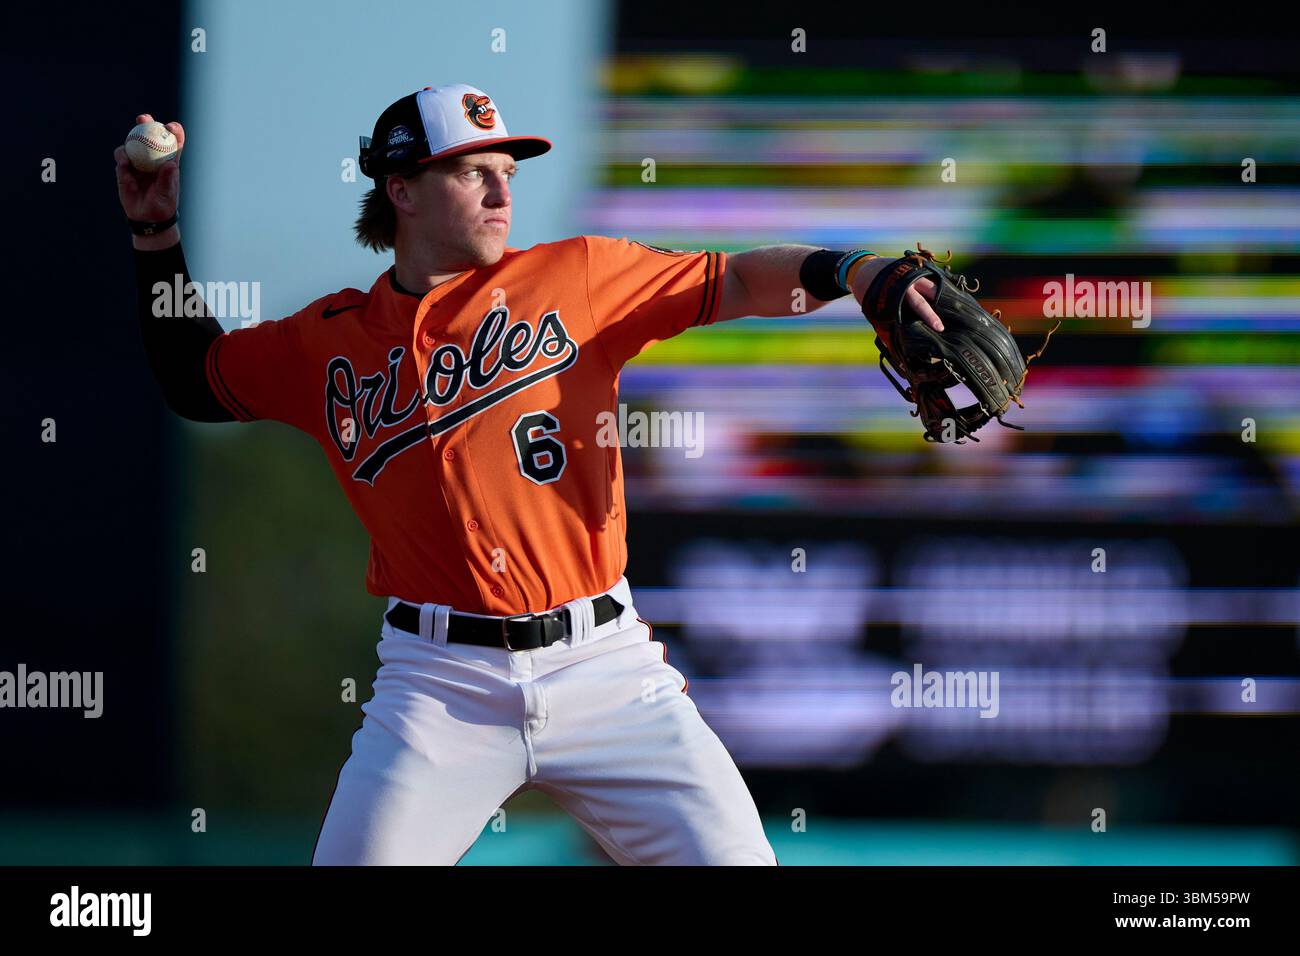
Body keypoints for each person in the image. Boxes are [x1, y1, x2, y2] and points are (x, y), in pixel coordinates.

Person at [117, 83, 943, 866]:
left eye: (507, 172)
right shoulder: (328, 340)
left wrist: (856, 272)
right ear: (401, 189)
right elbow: (197, 380)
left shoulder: (575, 276)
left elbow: (736, 279)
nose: (500, 192)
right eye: (472, 171)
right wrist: (155, 238)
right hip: (439, 685)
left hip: (607, 670)